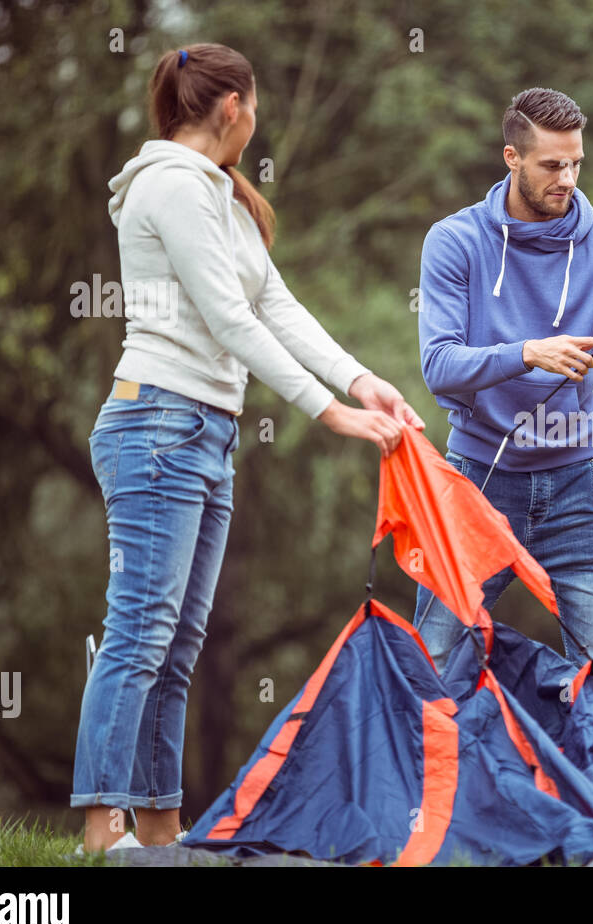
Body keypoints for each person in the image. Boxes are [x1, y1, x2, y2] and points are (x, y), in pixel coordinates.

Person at [73, 43, 423, 853]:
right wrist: (325, 412)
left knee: (177, 640)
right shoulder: (170, 187)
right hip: (157, 422)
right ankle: (102, 831)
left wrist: (362, 380)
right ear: (232, 107)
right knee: (139, 629)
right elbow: (231, 321)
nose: (253, 122)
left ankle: (161, 832)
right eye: (254, 109)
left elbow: (276, 303)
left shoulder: (221, 199)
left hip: (203, 432)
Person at [414, 87, 593, 673]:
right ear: (511, 158)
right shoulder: (454, 241)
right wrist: (528, 353)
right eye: (551, 165)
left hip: (579, 490)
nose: (567, 178)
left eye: (575, 163)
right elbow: (439, 365)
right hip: (478, 482)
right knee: (434, 675)